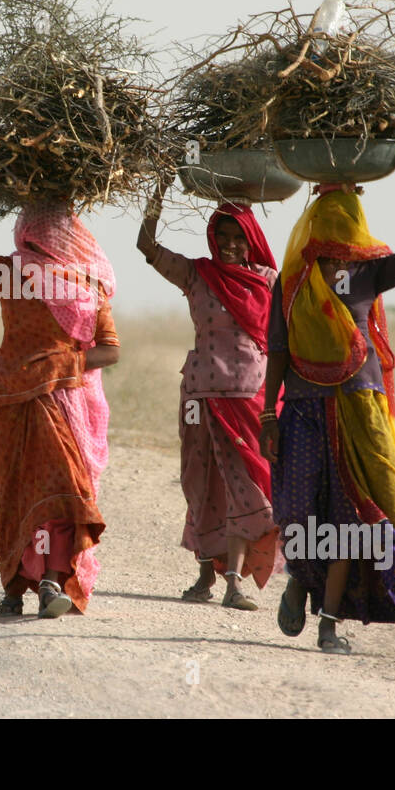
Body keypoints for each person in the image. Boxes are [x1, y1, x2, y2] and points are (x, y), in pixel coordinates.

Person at [260, 140, 395, 654]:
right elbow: (278, 350)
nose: (337, 226)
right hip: (301, 409)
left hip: (358, 413)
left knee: (355, 517)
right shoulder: (293, 283)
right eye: (331, 216)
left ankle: (329, 621)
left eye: (344, 216)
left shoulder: (369, 271)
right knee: (299, 514)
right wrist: (265, 413)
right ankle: (302, 577)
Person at [0, 168, 118, 619]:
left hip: (38, 397)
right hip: (32, 398)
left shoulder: (53, 278)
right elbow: (110, 352)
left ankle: (38, 582)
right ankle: (25, 582)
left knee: (38, 490)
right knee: (40, 492)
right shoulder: (47, 278)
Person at [138, 177, 284, 610]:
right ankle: (205, 573)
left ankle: (235, 581)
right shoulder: (197, 274)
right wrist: (160, 189)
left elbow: (285, 342)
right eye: (222, 236)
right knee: (201, 485)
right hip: (199, 397)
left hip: (250, 399)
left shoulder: (271, 281)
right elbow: (147, 245)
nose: (229, 245)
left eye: (239, 237)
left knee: (244, 488)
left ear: (252, 239)